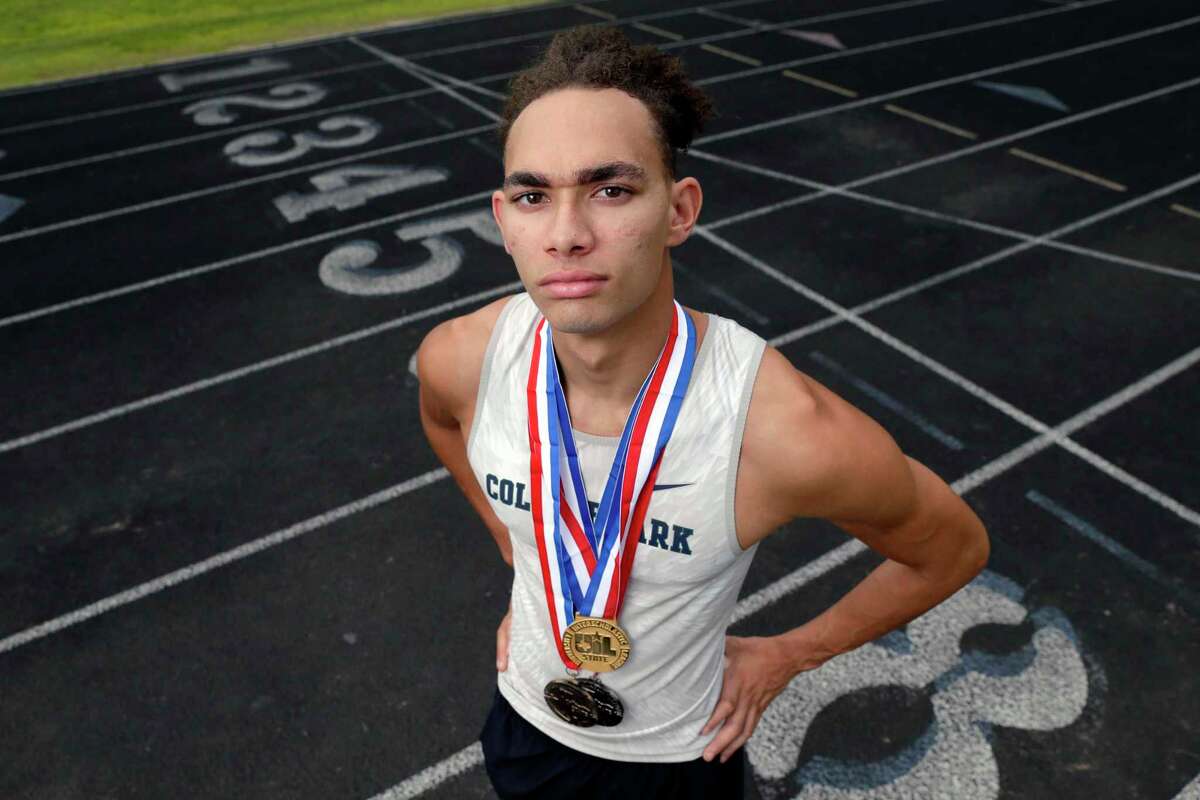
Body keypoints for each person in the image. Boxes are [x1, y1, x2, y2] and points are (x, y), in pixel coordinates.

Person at [416, 25, 990, 800]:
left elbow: (951, 549)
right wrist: (521, 558)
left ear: (680, 210)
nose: (566, 235)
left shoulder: (784, 431)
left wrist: (791, 654)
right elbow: (442, 422)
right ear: (502, 218)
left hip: (678, 763)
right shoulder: (464, 359)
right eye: (532, 196)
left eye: (610, 190)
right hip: (523, 724)